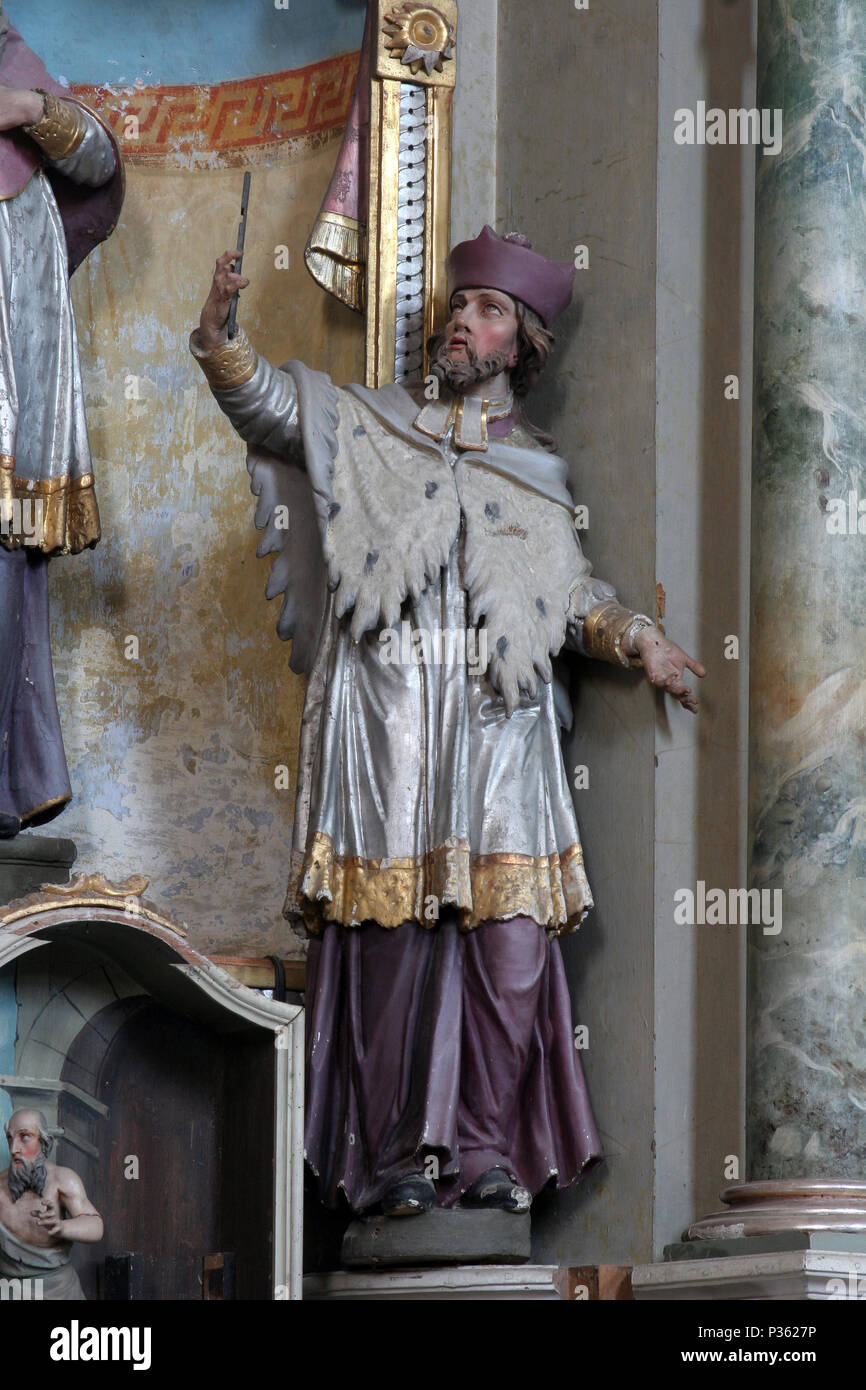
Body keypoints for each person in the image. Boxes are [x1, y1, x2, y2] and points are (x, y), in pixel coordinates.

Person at [191, 225, 705, 1217]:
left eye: (487, 310)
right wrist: (221, 336)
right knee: (389, 942)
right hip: (387, 726)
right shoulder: (371, 425)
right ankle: (395, 1158)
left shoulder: (536, 471)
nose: (462, 322)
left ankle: (481, 1148)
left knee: (510, 948)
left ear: (522, 343)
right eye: (459, 304)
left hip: (499, 735)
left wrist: (637, 638)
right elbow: (269, 409)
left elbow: (567, 593)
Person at [0, 11, 123, 840]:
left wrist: (18, 108)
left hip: (14, 408)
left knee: (5, 587)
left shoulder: (11, 62)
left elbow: (99, 157)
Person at [0, 1108, 103, 1299]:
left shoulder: (63, 1180)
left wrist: (62, 1226)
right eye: (10, 1138)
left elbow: (95, 1226)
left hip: (59, 1289)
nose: (14, 1148)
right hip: (9, 1289)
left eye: (24, 1137)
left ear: (44, 1143)